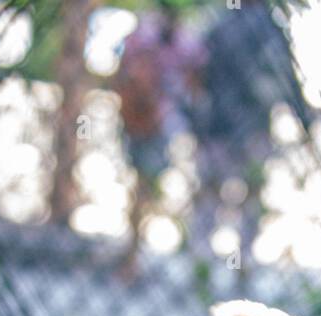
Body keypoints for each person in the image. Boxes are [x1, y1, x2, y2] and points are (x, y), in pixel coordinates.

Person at [192, 1, 309, 274]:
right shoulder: (251, 26)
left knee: (221, 192)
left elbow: (199, 75)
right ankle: (233, 260)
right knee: (241, 194)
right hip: (238, 125)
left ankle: (210, 261)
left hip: (230, 125)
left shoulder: (230, 24)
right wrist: (304, 119)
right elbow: (287, 76)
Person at [115, 0, 204, 273]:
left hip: (162, 125)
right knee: (141, 185)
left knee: (146, 185)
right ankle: (134, 251)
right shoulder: (144, 34)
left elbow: (195, 84)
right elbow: (122, 74)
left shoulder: (186, 42)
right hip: (138, 120)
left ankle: (136, 252)